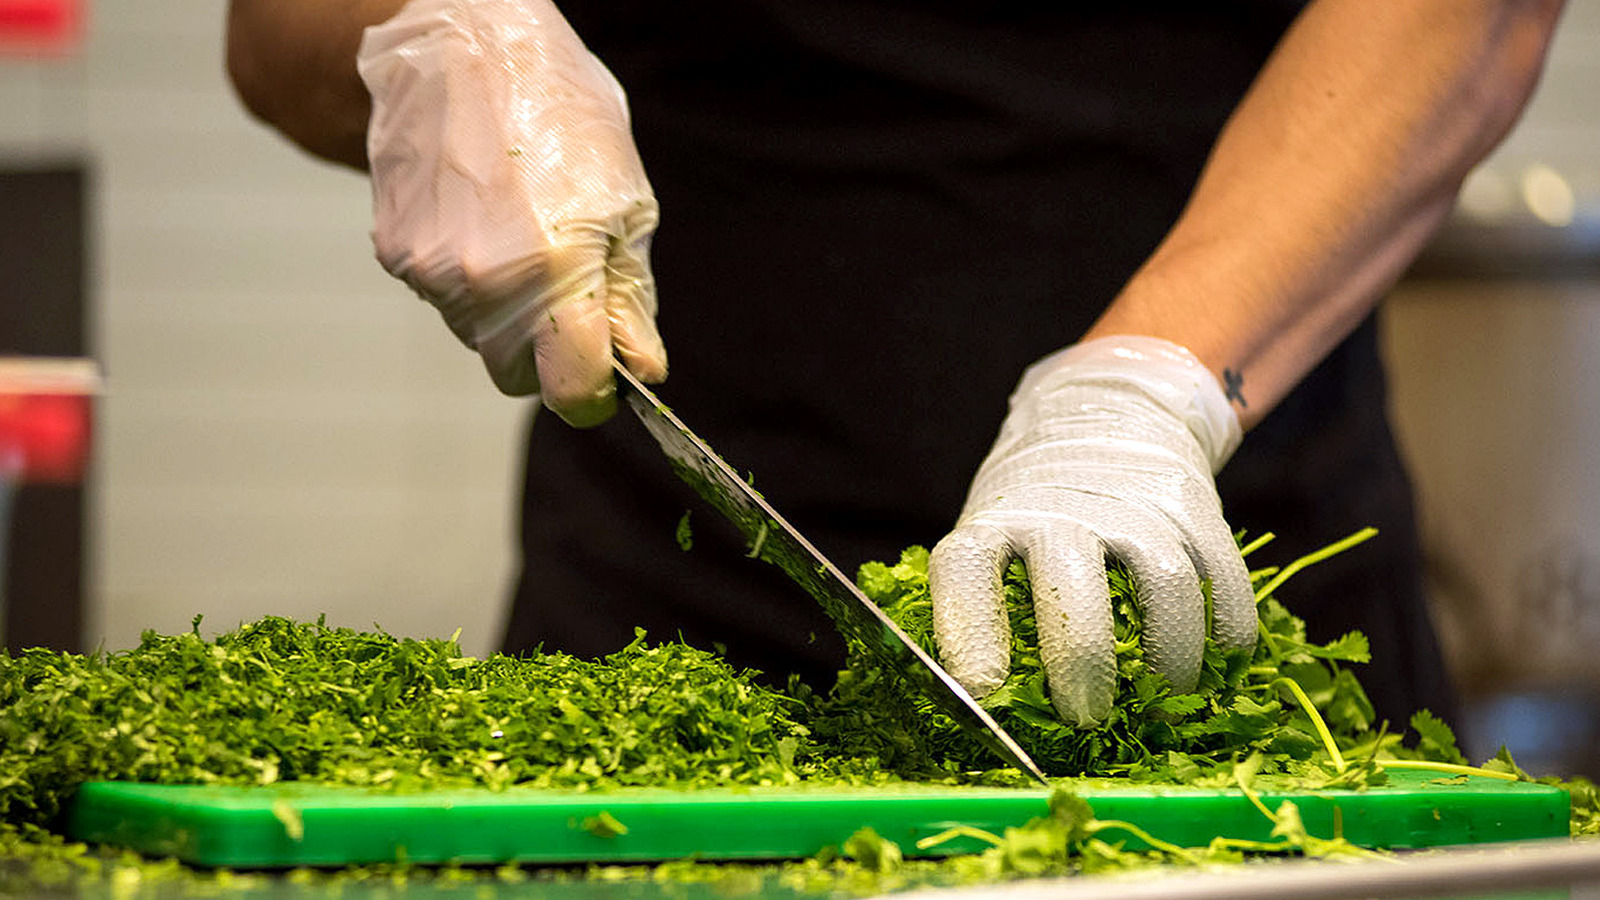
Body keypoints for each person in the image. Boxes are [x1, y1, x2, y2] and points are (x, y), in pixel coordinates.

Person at [226, 0, 1565, 729]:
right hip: (662, 657)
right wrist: (437, 39)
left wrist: (1146, 384)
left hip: (1208, 619)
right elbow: (281, 30)